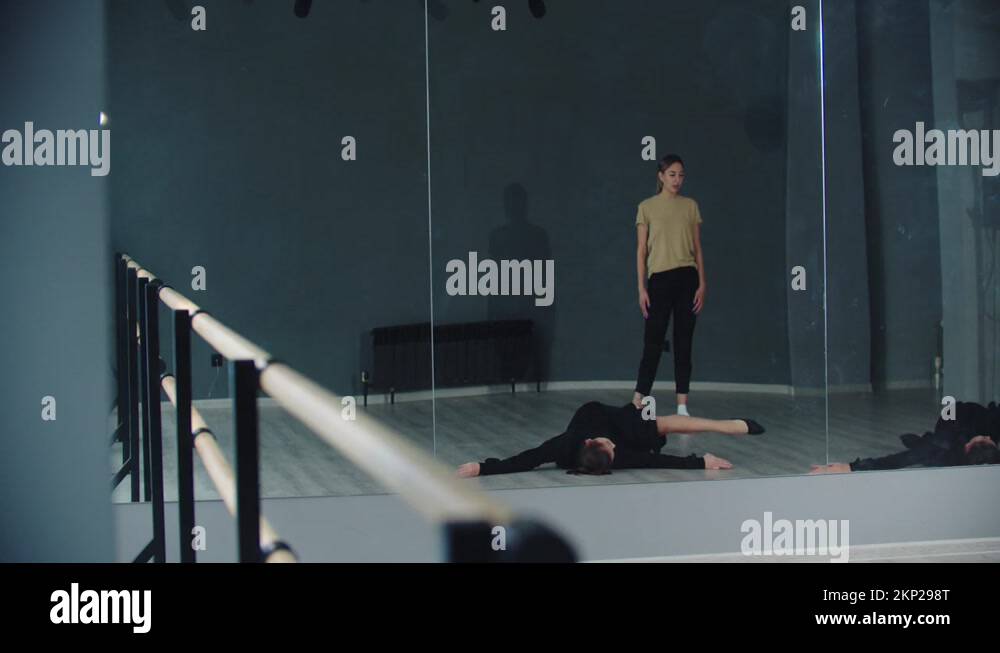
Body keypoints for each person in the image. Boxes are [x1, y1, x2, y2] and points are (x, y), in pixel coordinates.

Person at [456, 400, 764, 477]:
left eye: (608, 447)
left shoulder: (565, 444)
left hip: (607, 417)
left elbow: (526, 459)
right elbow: (654, 461)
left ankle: (729, 425)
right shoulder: (617, 455)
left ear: (590, 443)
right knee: (647, 447)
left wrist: (482, 468)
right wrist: (703, 461)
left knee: (661, 425)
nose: (614, 448)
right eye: (613, 452)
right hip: (625, 438)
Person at [632, 154, 706, 417]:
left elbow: (697, 249)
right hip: (659, 280)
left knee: (683, 342)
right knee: (653, 341)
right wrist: (642, 288)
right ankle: (638, 400)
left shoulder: (690, 206)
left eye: (681, 175)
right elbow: (641, 251)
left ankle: (682, 406)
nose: (677, 180)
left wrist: (702, 284)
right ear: (661, 176)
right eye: (672, 174)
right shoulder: (646, 207)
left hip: (687, 278)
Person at [810, 400, 1000, 473]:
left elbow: (899, 460)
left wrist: (849, 467)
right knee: (931, 451)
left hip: (953, 427)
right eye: (988, 439)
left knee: (931, 454)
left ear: (969, 447)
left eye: (983, 438)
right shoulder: (948, 442)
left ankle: (922, 441)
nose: (985, 435)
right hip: (955, 411)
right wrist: (849, 467)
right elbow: (900, 460)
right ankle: (922, 442)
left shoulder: (949, 445)